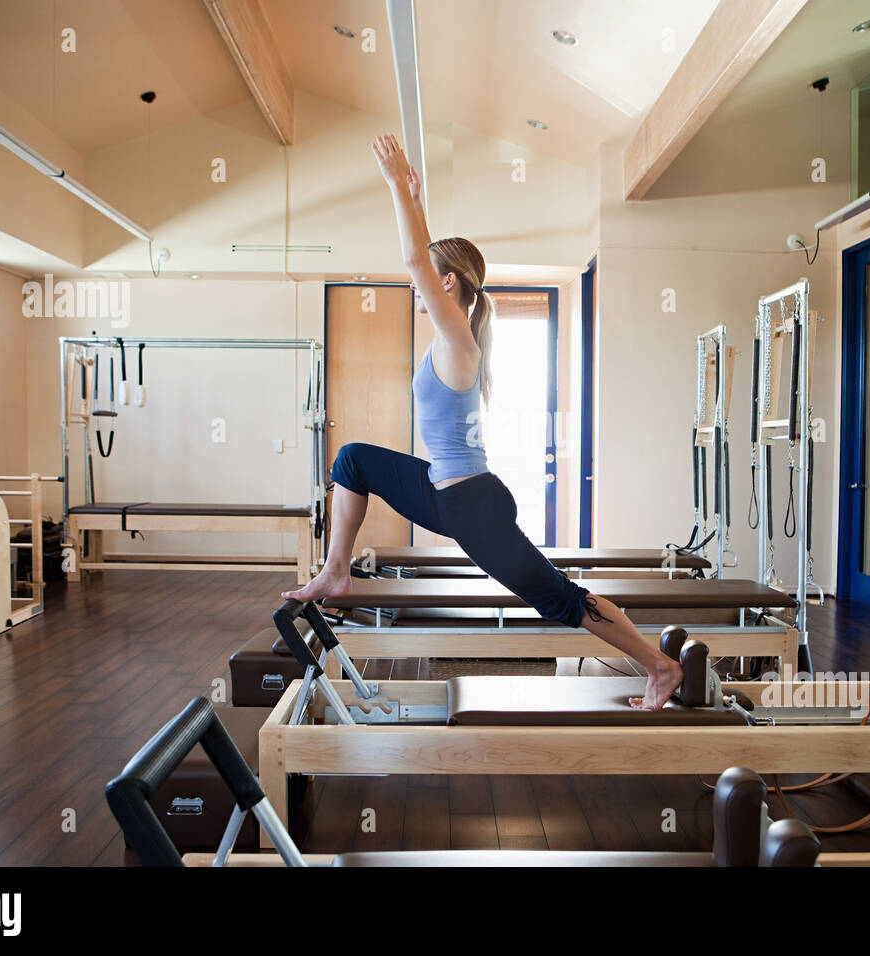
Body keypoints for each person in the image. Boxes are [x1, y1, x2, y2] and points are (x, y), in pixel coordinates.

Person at [283, 134, 683, 709]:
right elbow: (427, 259)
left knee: (560, 599)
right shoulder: (450, 337)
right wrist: (417, 202)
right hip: (443, 494)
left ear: (448, 285)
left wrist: (397, 185)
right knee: (352, 461)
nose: (419, 289)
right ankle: (336, 572)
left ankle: (658, 666)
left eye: (431, 281)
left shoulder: (457, 339)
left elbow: (417, 259)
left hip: (471, 505)